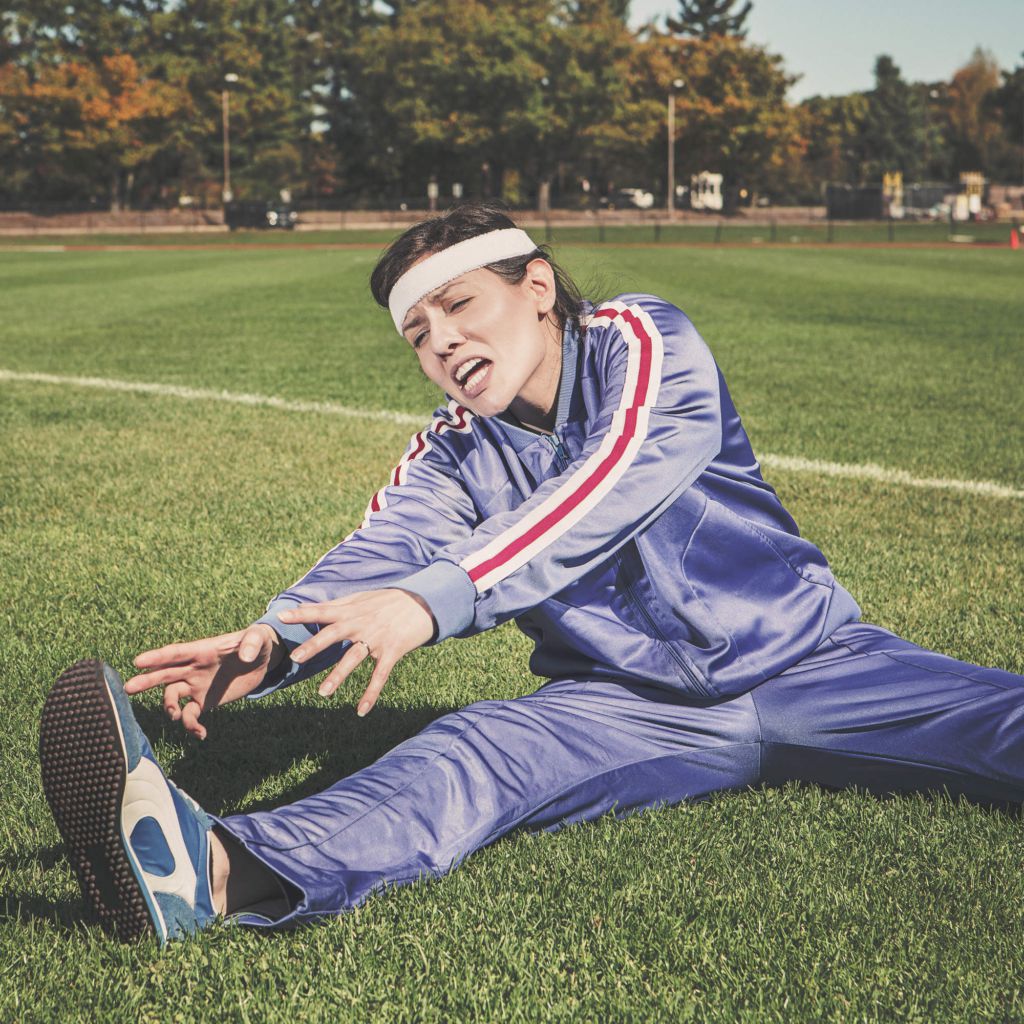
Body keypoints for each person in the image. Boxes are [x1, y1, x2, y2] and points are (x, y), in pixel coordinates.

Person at [39, 201, 1024, 946]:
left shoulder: (642, 342)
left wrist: (431, 604)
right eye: (418, 335)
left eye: (459, 306)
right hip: (620, 705)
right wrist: (281, 638)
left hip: (810, 662)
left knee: (999, 724)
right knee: (468, 752)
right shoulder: (451, 450)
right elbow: (378, 555)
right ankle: (200, 871)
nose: (444, 344)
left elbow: (609, 483)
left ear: (538, 288)